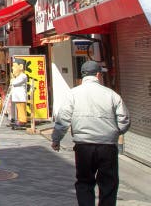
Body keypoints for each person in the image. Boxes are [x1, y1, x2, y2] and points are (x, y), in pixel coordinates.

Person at [51, 61, 131, 206]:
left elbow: (62, 119)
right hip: (107, 146)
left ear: (83, 75)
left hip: (83, 146)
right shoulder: (111, 95)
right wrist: (115, 132)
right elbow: (124, 120)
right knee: (108, 183)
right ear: (98, 75)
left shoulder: (73, 94)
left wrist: (56, 139)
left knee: (84, 182)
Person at [10, 58, 29, 129]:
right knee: (19, 108)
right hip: (18, 96)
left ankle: (23, 121)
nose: (12, 68)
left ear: (21, 67)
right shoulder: (18, 76)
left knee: (21, 109)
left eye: (14, 66)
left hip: (20, 96)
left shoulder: (23, 76)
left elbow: (14, 82)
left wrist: (13, 79)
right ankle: (20, 120)